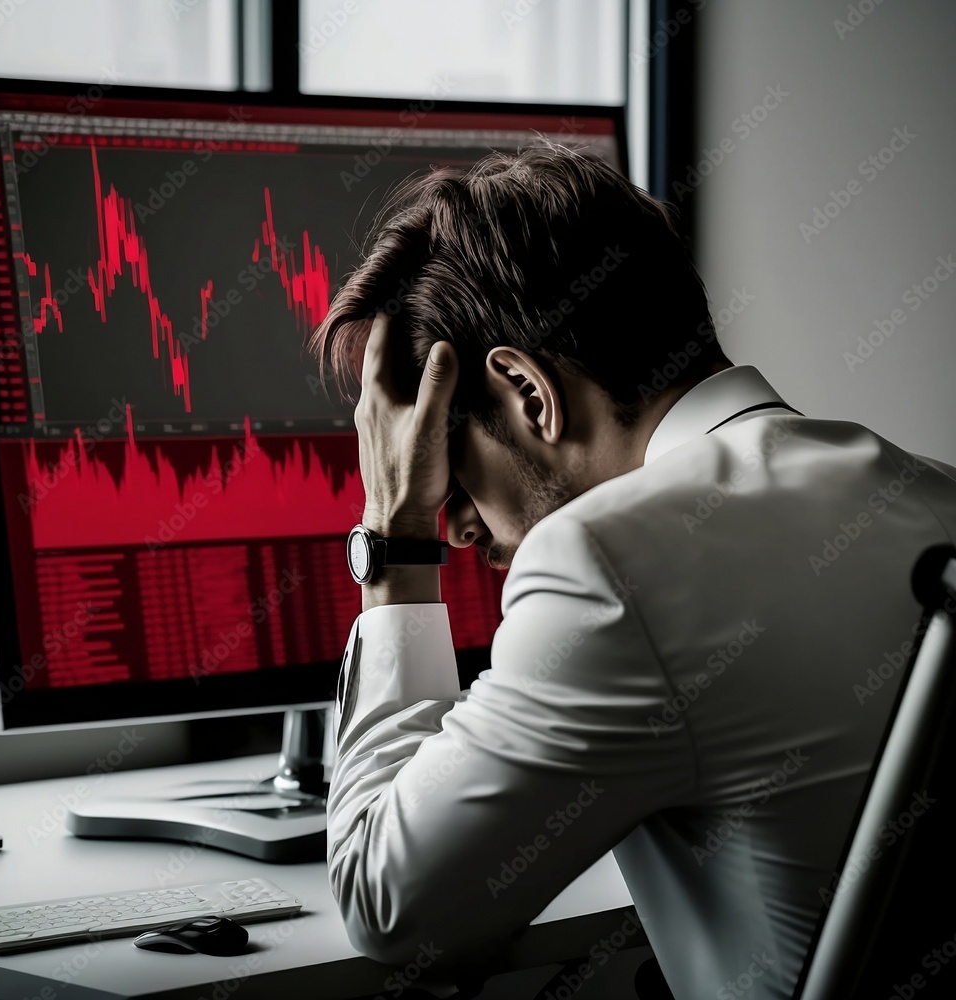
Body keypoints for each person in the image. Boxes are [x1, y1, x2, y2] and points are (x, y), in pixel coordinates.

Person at [308, 140, 956, 999]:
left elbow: (393, 908)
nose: (453, 520)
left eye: (444, 459)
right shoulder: (932, 494)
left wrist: (393, 541)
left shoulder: (606, 564)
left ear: (530, 394)